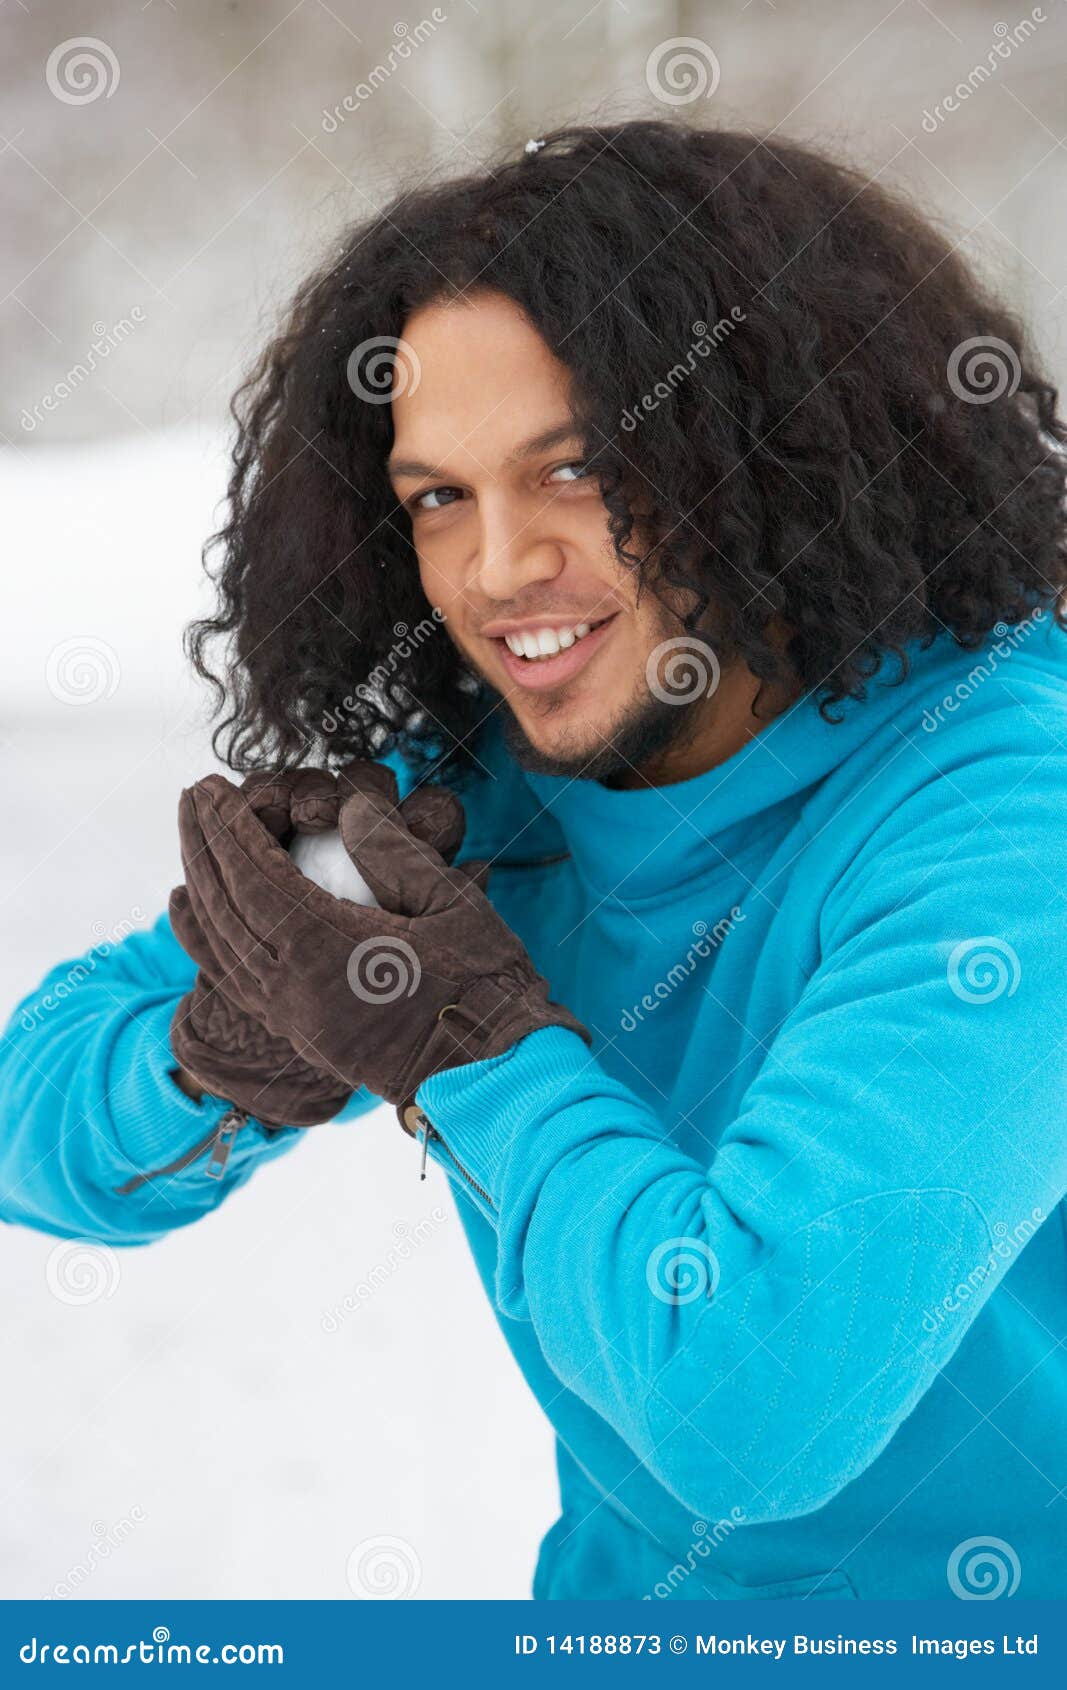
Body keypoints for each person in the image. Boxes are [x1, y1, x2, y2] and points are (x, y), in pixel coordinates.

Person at [4, 120, 1067, 1602]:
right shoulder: (482, 793)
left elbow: (748, 1406)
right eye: (440, 495)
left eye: (575, 470)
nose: (498, 568)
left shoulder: (1014, 799)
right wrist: (221, 1051)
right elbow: (29, 1114)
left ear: (771, 447)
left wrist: (469, 1044)